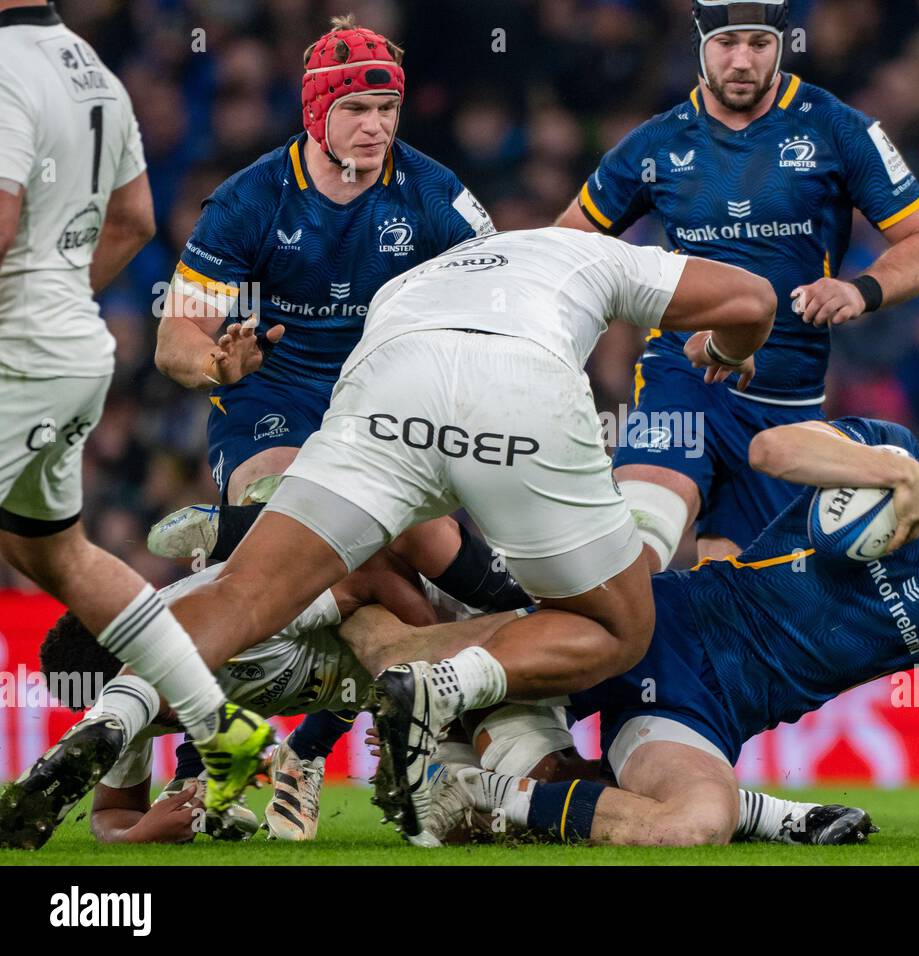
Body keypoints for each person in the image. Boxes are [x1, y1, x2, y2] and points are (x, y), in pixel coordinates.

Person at [147, 225, 774, 843]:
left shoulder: (412, 271)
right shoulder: (590, 255)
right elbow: (753, 300)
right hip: (501, 408)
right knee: (602, 626)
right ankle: (402, 701)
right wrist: (726, 350)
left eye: (382, 111)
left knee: (263, 590)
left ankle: (130, 710)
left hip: (382, 400)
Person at [396, 405, 919, 846]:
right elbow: (770, 448)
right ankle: (318, 715)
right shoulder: (889, 451)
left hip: (702, 713)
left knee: (695, 824)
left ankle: (482, 799)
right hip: (659, 622)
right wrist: (896, 476)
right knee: (402, 667)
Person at [146, 14, 523, 834]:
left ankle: (289, 754)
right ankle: (233, 761)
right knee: (319, 541)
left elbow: (506, 294)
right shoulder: (251, 198)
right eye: (357, 109)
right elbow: (176, 338)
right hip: (270, 397)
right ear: (316, 113)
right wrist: (215, 365)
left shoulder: (432, 193)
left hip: (387, 406)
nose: (377, 126)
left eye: (387, 109)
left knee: (401, 585)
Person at [44, 560, 869, 847]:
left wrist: (440, 664)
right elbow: (112, 817)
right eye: (137, 717)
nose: (157, 725)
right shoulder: (131, 698)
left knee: (546, 776)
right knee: (526, 811)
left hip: (464, 635)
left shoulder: (238, 618)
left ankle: (768, 816)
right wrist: (142, 826)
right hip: (404, 694)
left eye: (148, 705)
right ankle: (771, 815)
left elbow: (369, 577)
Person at [0, 0, 269, 850]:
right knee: (57, 554)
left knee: (59, 554)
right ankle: (222, 731)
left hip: (19, 346)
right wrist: (64, 301)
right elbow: (135, 221)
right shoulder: (93, 68)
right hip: (75, 345)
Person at [554, 0, 919, 572]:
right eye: (726, 44)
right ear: (698, 45)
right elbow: (567, 249)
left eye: (758, 44)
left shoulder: (838, 127)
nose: (742, 60)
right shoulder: (655, 143)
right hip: (684, 375)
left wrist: (858, 290)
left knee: (740, 605)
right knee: (638, 548)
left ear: (783, 44)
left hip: (789, 403)